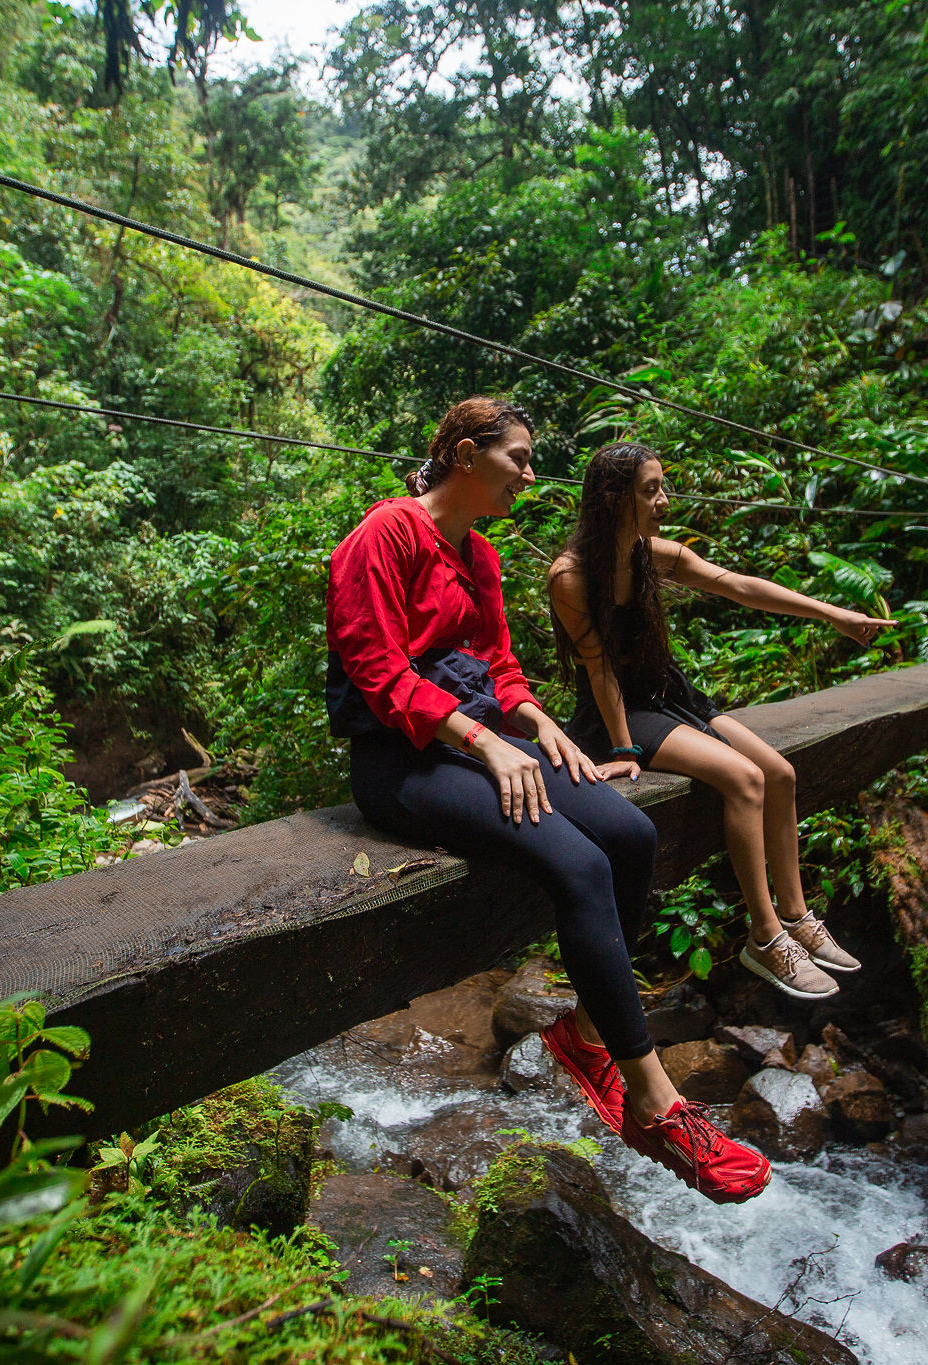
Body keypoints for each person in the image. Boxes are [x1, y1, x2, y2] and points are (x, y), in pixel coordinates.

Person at [326, 398, 770, 1204]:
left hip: (478, 743)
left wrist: (534, 723)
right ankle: (655, 1101)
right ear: (466, 454)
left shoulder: (482, 558)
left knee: (629, 834)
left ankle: (586, 1036)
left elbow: (499, 666)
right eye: (520, 459)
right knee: (577, 861)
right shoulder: (383, 535)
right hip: (402, 762)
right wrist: (490, 741)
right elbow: (375, 668)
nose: (532, 476)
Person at [548, 442, 897, 1001]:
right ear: (614, 499)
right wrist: (624, 748)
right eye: (650, 490)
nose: (664, 500)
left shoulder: (652, 554)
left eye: (663, 486)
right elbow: (601, 671)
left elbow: (737, 585)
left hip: (670, 694)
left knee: (779, 772)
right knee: (745, 778)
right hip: (620, 714)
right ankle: (763, 935)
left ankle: (798, 916)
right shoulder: (571, 576)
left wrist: (833, 613)